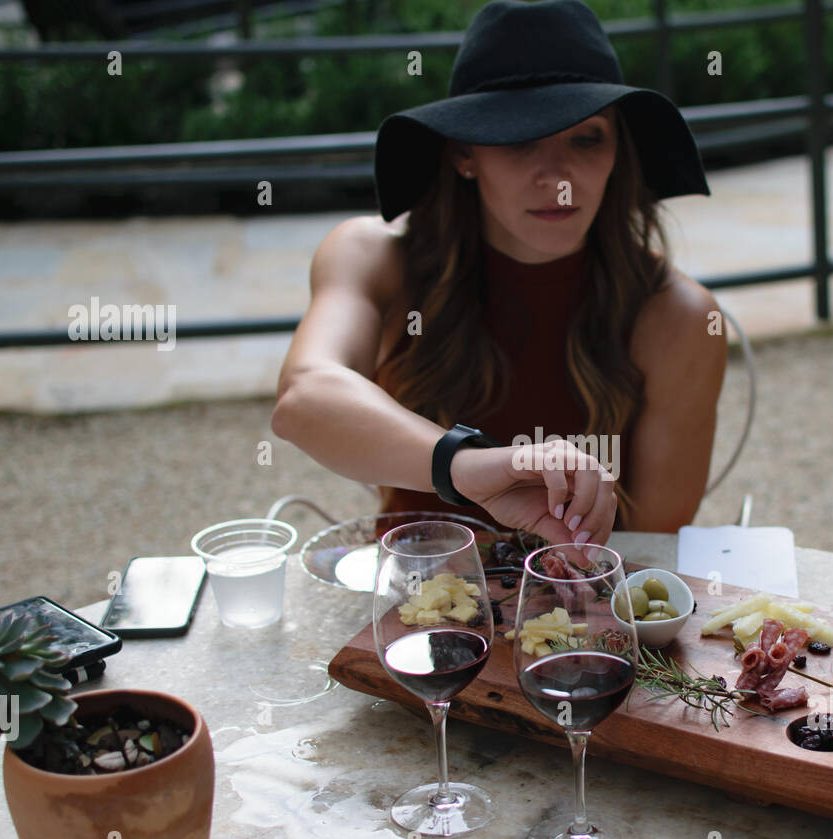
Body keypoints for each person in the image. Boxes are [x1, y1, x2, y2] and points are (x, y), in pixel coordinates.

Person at [272, 0, 726, 550]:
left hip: (583, 611)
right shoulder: (375, 256)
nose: (558, 177)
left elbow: (653, 547)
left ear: (617, 151)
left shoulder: (677, 314)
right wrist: (469, 466)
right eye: (518, 140)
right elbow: (303, 397)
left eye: (587, 139)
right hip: (413, 598)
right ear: (465, 154)